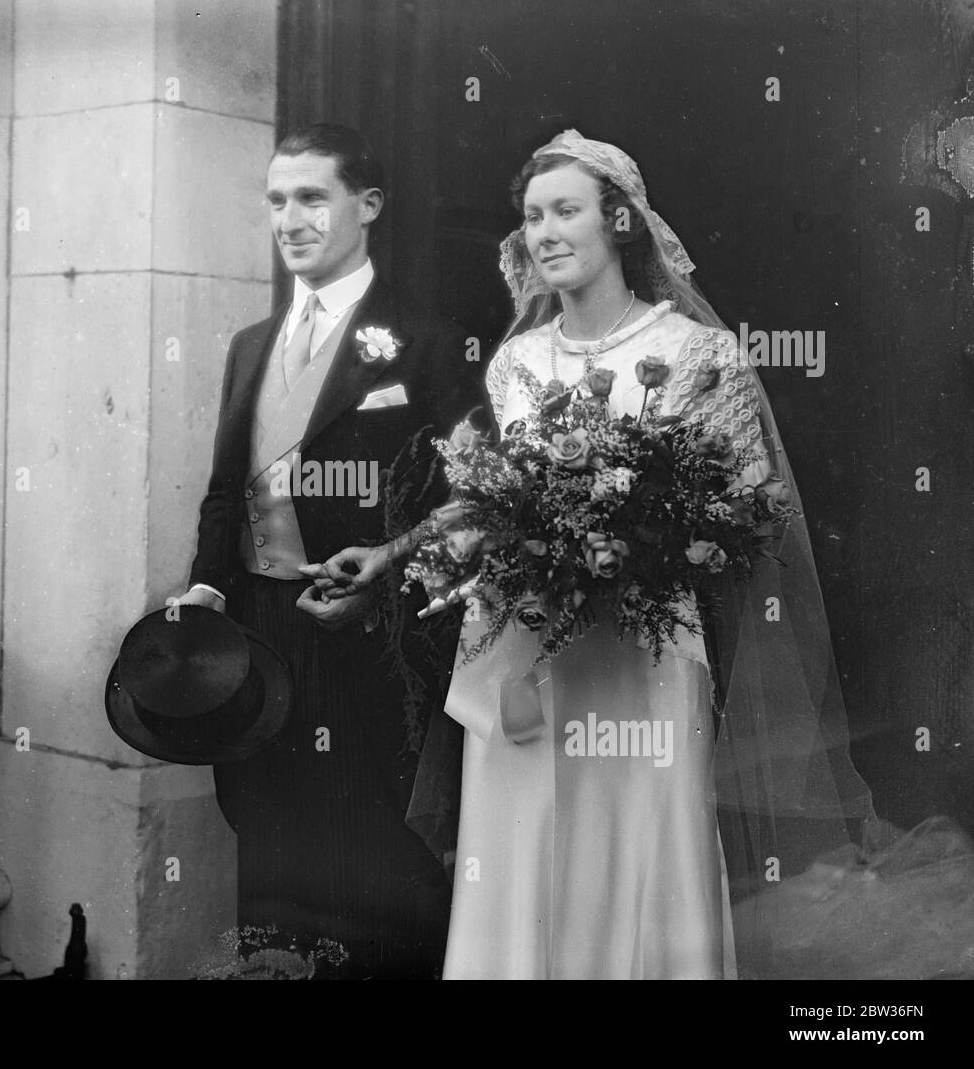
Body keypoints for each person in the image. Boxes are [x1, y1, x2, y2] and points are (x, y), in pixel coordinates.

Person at [314, 130, 875, 979]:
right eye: (532, 216)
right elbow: (491, 500)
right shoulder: (516, 363)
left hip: (643, 656)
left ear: (618, 220)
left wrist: (640, 534)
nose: (544, 232)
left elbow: (749, 512)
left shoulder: (698, 355)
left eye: (564, 211)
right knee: (524, 850)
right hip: (522, 652)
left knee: (640, 850)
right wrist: (396, 551)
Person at [176, 123, 487, 977]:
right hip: (258, 634)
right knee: (272, 854)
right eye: (277, 199)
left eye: (313, 196)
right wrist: (206, 594)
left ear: (368, 205)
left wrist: (385, 585)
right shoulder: (249, 345)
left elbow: (475, 499)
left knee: (374, 865)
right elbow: (223, 489)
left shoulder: (424, 341)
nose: (291, 218)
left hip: (367, 636)